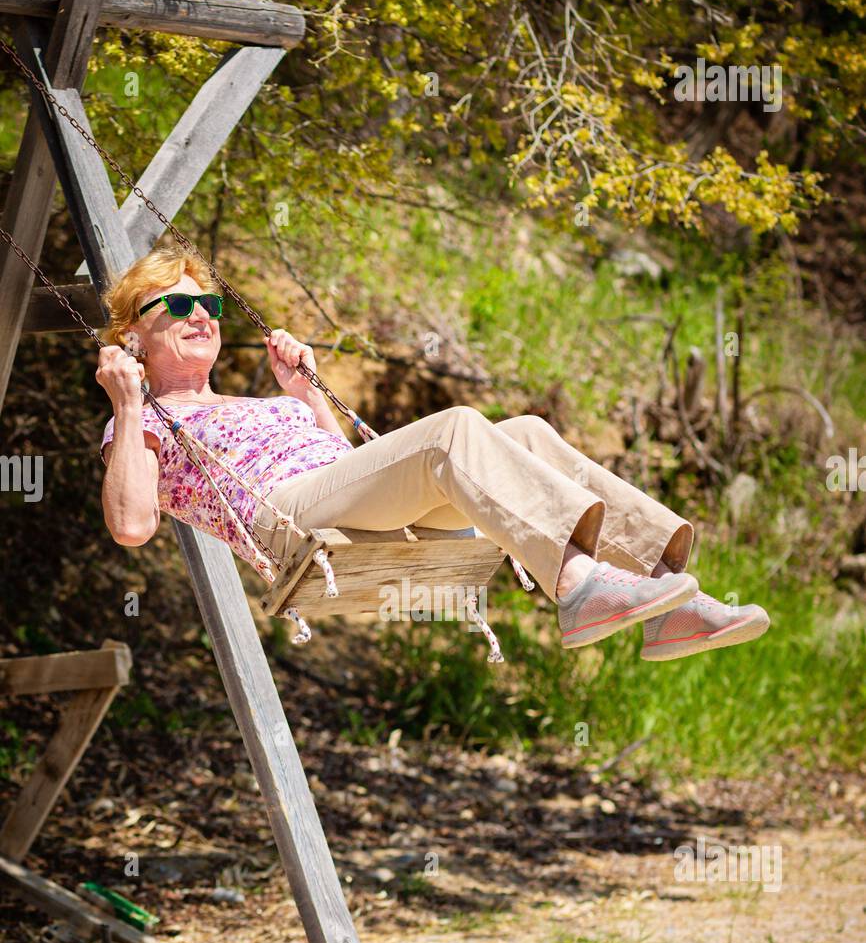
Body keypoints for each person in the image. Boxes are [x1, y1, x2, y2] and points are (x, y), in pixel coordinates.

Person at [97, 244, 769, 659]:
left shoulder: (250, 403)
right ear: (132, 336)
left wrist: (301, 389)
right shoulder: (148, 417)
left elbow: (339, 460)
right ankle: (577, 588)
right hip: (285, 520)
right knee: (454, 430)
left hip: (339, 499)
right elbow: (131, 526)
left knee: (528, 433)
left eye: (207, 302)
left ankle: (669, 598)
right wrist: (127, 404)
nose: (202, 315)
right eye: (178, 304)